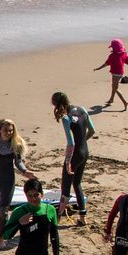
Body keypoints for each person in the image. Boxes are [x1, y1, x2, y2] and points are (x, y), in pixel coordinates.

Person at [0, 119, 34, 239]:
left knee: (3, 211)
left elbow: (18, 162)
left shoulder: (16, 144)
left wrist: (25, 171)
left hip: (8, 180)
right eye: (6, 130)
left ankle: (2, 238)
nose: (8, 133)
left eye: (11, 130)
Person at [51, 92, 95, 220]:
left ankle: (58, 217)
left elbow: (71, 143)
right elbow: (92, 131)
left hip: (75, 155)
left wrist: (68, 161)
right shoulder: (82, 109)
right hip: (85, 152)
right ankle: (82, 217)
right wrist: (82, 143)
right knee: (77, 183)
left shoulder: (67, 118)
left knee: (66, 187)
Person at [94, 39, 128, 109]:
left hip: (115, 74)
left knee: (115, 88)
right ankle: (111, 99)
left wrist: (99, 68)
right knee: (114, 86)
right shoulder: (124, 54)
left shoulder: (112, 56)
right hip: (121, 73)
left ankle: (125, 102)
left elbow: (106, 64)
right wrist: (126, 54)